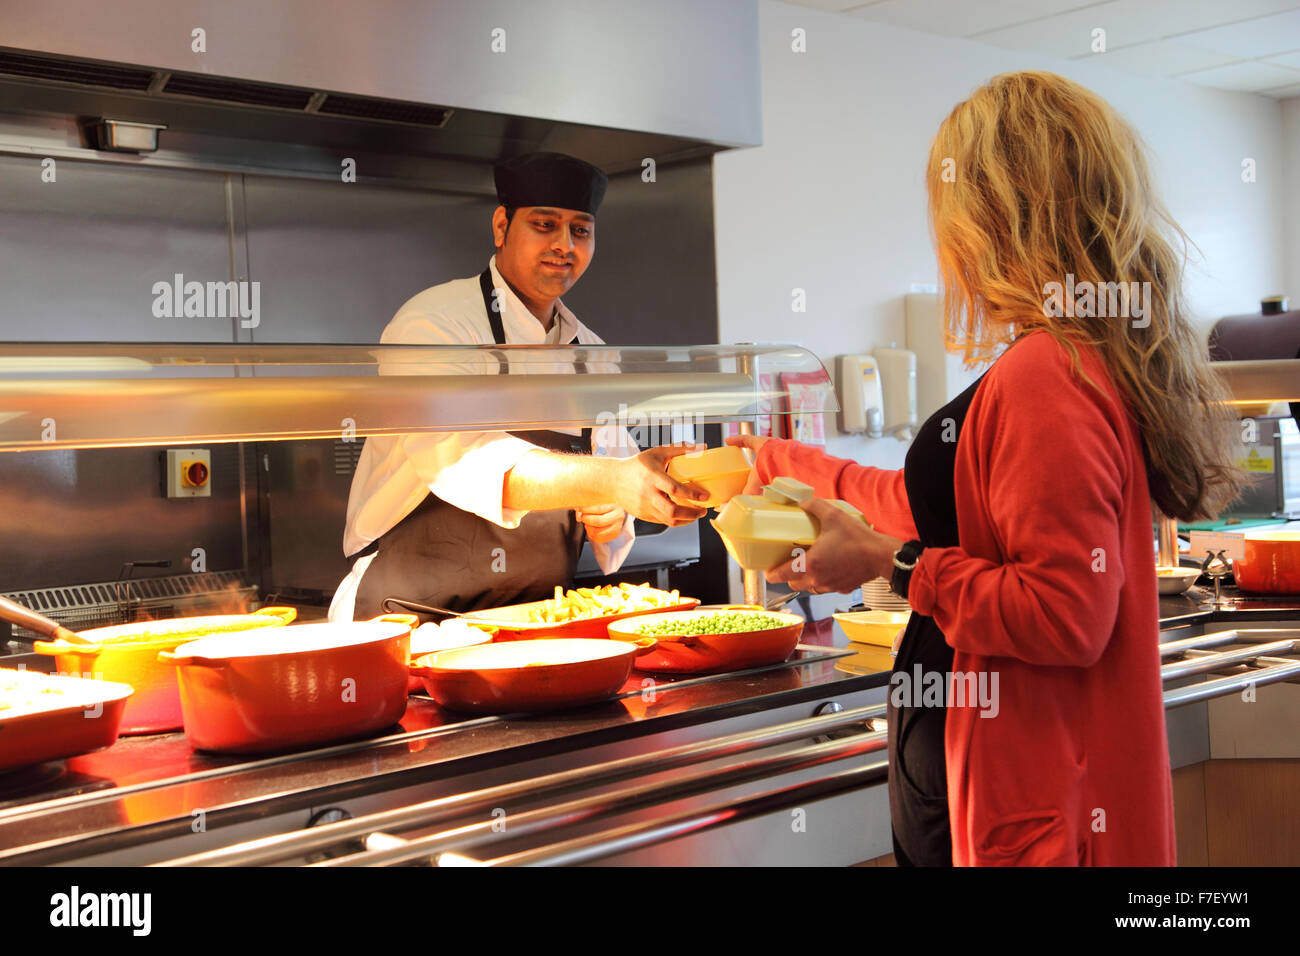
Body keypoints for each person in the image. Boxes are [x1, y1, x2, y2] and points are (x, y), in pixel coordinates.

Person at [729, 72, 1241, 866]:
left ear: (995, 212)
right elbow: (932, 506)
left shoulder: (1047, 373)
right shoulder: (1078, 353)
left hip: (1034, 796)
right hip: (1014, 777)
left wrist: (892, 567)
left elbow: (1063, 614)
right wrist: (767, 463)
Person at [330, 152, 708, 622]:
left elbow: (615, 477)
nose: (564, 245)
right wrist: (614, 479)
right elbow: (461, 456)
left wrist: (614, 512)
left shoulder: (591, 353)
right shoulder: (433, 323)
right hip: (406, 616)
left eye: (581, 230)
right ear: (501, 226)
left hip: (534, 621)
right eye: (545, 225)